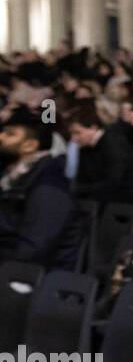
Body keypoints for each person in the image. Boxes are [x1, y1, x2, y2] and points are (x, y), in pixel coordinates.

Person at [0, 113, 82, 270]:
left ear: (30, 145)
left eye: (10, 134)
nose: (1, 137)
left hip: (31, 277)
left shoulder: (48, 186)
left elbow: (31, 250)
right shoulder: (14, 176)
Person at [65, 105, 133, 205]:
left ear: (93, 128)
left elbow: (114, 182)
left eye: (77, 133)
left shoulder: (113, 143)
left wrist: (79, 189)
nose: (74, 139)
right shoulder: (85, 147)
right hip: (104, 194)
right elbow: (84, 178)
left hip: (128, 196)